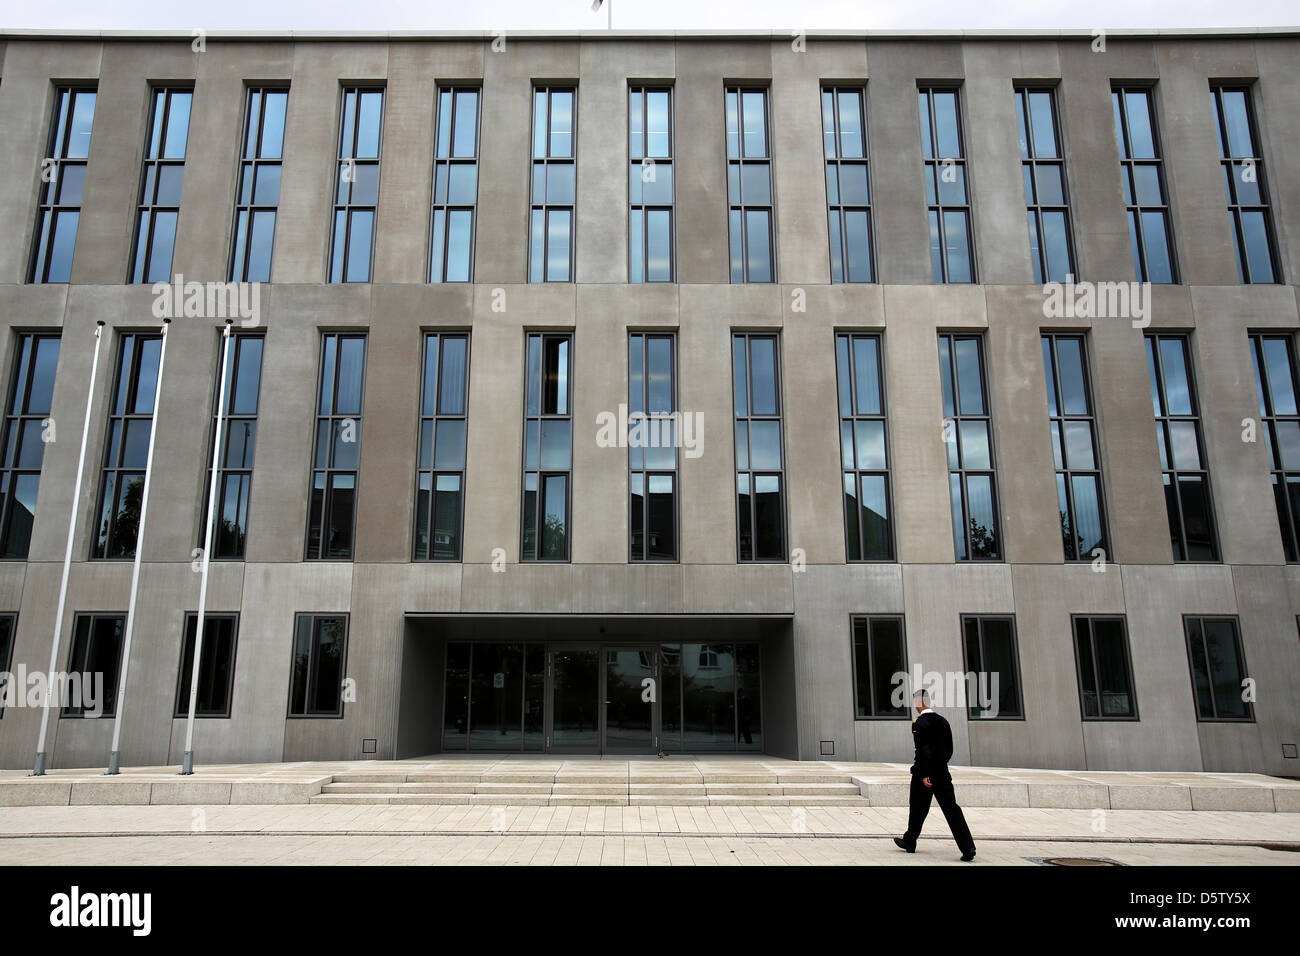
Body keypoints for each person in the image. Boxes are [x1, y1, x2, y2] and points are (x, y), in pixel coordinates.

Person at [893, 689, 976, 862]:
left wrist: (924, 773)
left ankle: (910, 841)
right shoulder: (943, 721)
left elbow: (922, 750)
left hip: (924, 774)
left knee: (917, 807)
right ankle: (968, 846)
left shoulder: (919, 723)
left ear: (918, 703)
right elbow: (949, 749)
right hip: (942, 772)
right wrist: (939, 768)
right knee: (952, 809)